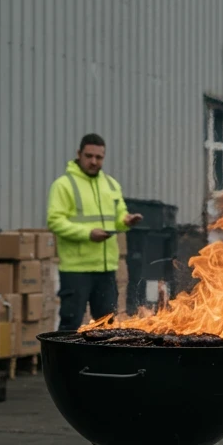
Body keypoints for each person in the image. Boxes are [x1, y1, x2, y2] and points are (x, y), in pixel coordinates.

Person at [46, 134, 143, 330]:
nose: (94, 161)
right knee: (70, 325)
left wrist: (126, 221)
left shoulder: (111, 184)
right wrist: (88, 233)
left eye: (99, 157)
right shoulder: (63, 185)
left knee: (106, 327)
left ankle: (102, 362)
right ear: (78, 154)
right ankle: (65, 362)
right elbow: (55, 221)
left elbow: (118, 217)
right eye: (89, 156)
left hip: (105, 270)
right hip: (76, 270)